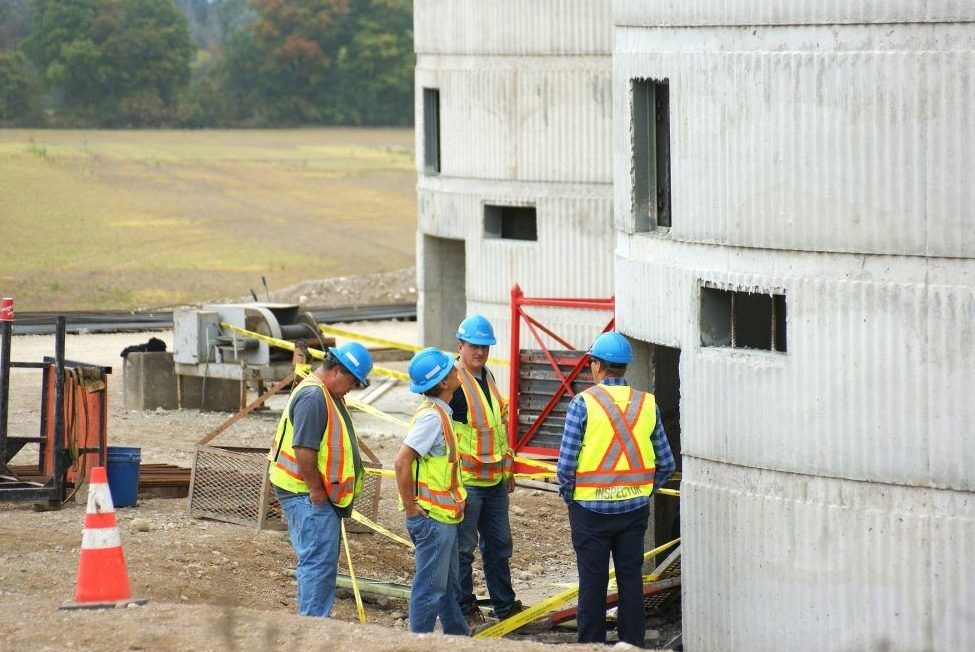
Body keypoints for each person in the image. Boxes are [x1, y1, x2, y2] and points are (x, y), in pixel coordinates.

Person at [557, 331, 675, 647]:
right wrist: (643, 491)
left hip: (590, 513)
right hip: (633, 511)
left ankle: (592, 645)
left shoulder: (582, 404)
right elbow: (666, 463)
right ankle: (632, 644)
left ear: (597, 365)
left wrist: (573, 498)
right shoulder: (646, 404)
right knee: (630, 583)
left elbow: (565, 467)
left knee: (592, 585)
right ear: (624, 367)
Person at [268, 341, 373, 618]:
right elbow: (304, 449)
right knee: (318, 562)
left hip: (311, 494)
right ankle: (314, 626)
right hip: (306, 494)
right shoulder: (315, 397)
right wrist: (316, 491)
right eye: (353, 381)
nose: (353, 388)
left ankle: (311, 623)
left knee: (318, 561)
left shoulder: (326, 394)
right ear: (337, 370)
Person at [449, 315, 522, 625]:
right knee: (463, 551)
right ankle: (465, 608)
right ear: (461, 345)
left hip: (493, 481)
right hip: (467, 482)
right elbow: (444, 435)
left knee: (499, 547)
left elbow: (499, 425)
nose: (480, 352)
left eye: (485, 347)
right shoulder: (452, 382)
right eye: (474, 346)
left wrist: (508, 467)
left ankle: (505, 606)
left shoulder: (487, 376)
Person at [394, 347, 470, 636]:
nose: (456, 371)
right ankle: (419, 642)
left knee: (448, 586)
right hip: (432, 518)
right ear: (442, 383)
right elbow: (402, 461)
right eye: (451, 370)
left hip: (443, 516)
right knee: (430, 588)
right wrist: (412, 508)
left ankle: (458, 637)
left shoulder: (440, 413)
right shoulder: (432, 418)